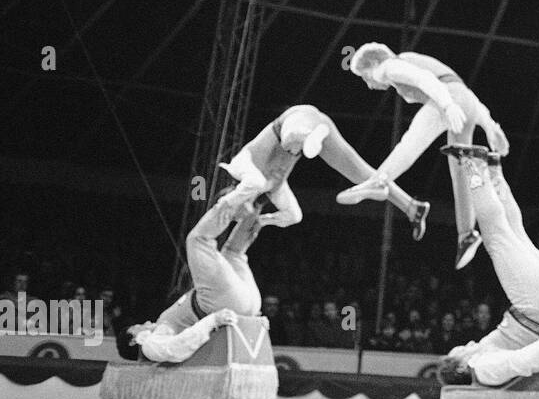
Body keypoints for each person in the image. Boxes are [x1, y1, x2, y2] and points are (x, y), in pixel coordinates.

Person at [437, 145, 539, 387]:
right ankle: (473, 165)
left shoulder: (482, 359)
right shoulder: (483, 368)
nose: (469, 345)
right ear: (462, 366)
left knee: (514, 234)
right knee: (496, 237)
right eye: (462, 350)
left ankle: (492, 169)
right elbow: (528, 360)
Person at [340, 44, 510, 269]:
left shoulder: (388, 66)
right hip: (464, 99)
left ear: (372, 64)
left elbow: (424, 79)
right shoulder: (408, 60)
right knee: (459, 170)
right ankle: (467, 234)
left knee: (412, 141)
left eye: (365, 76)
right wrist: (490, 126)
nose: (369, 84)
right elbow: (464, 93)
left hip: (449, 97)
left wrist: (447, 105)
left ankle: (379, 180)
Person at [219, 103, 430, 239]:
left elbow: (253, 183)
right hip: (316, 134)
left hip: (296, 120)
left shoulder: (239, 168)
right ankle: (412, 207)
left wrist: (226, 205)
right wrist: (264, 221)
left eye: (233, 216)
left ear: (230, 195)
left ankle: (309, 139)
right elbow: (294, 216)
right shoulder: (273, 190)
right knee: (365, 177)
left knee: (289, 139)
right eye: (234, 219)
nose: (237, 218)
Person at [127, 194, 269, 363]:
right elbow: (175, 349)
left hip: (245, 305)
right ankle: (234, 201)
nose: (146, 322)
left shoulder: (161, 327)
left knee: (232, 253)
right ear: (134, 340)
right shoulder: (150, 345)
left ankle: (258, 204)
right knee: (197, 240)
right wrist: (212, 321)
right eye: (138, 327)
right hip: (221, 306)